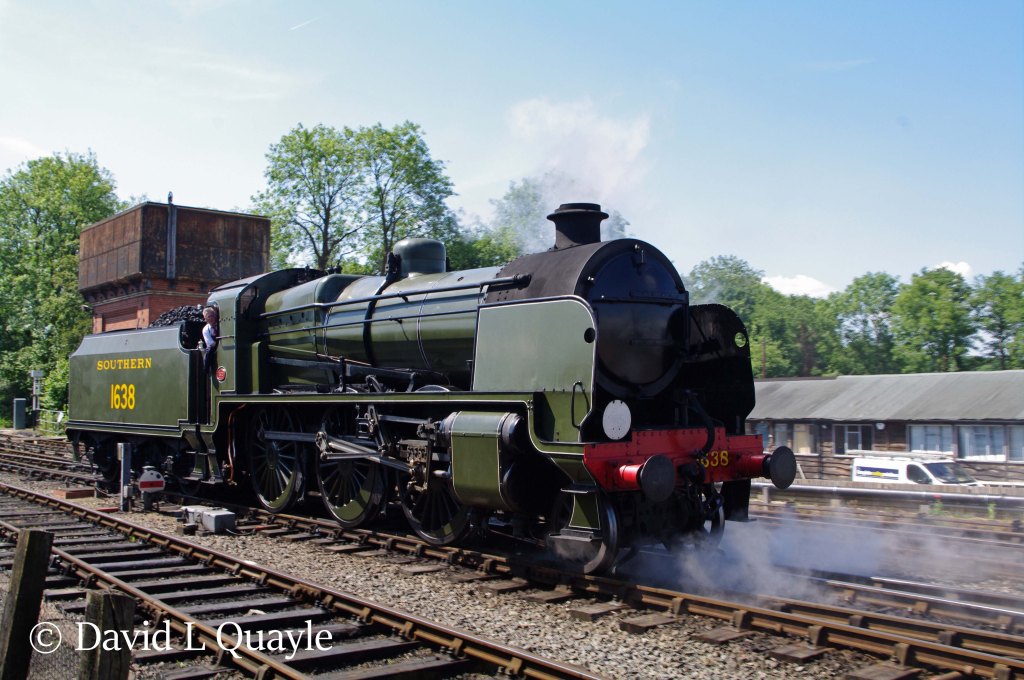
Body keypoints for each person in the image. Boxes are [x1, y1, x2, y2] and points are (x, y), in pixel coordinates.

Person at [200, 306, 219, 374]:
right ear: (205, 319)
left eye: (213, 315)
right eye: (209, 316)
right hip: (213, 345)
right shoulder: (205, 329)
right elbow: (210, 342)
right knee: (208, 352)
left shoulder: (220, 324)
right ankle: (206, 369)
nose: (212, 318)